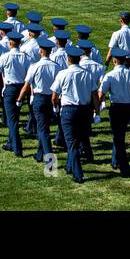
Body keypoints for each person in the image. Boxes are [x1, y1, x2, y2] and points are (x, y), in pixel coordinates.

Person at [50, 45, 96, 182]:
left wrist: (55, 108)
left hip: (69, 110)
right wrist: (96, 111)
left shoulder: (63, 74)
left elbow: (54, 96)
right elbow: (94, 95)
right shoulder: (87, 74)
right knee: (77, 139)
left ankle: (78, 173)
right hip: (84, 110)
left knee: (72, 143)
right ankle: (70, 167)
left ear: (68, 59)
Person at [19, 37, 60, 166]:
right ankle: (39, 154)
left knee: (43, 131)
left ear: (41, 51)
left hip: (39, 98)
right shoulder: (56, 67)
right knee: (44, 127)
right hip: (51, 99)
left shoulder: (34, 66)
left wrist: (19, 99)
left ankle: (50, 164)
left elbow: (26, 86)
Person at [99, 48, 130, 176]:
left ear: (114, 60)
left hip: (116, 108)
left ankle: (123, 166)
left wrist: (96, 110)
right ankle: (115, 161)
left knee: (118, 138)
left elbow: (101, 94)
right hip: (128, 108)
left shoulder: (110, 75)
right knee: (119, 136)